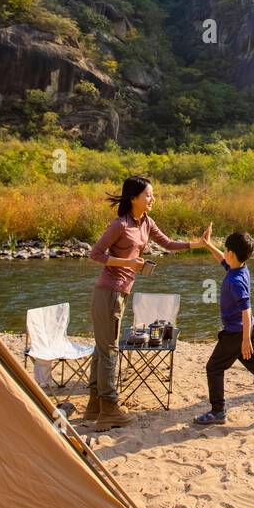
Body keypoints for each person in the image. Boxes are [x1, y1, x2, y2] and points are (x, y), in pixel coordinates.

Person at [85, 176, 208, 430]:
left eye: (152, 195)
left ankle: (95, 406)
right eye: (148, 195)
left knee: (102, 348)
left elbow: (168, 243)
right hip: (108, 291)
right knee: (108, 349)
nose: (152, 199)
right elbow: (95, 254)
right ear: (134, 198)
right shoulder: (120, 225)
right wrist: (128, 263)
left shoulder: (146, 223)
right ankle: (109, 409)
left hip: (120, 292)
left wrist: (199, 243)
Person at [193, 230, 254, 425]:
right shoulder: (239, 268)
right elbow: (222, 259)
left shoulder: (235, 280)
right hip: (248, 327)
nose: (223, 253)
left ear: (231, 253)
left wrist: (245, 339)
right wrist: (208, 244)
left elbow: (246, 309)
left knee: (213, 367)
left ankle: (217, 411)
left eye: (225, 250)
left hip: (237, 332)